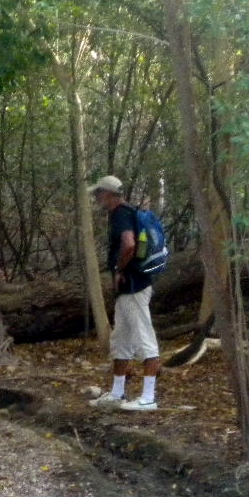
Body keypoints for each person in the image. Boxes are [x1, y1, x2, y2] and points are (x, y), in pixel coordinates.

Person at [87, 175, 161, 411]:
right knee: (121, 339)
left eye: (98, 193)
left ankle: (148, 397)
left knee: (144, 337)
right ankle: (117, 393)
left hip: (134, 286)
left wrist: (119, 270)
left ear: (108, 194)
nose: (96, 198)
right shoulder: (125, 212)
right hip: (128, 290)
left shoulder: (121, 214)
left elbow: (129, 244)